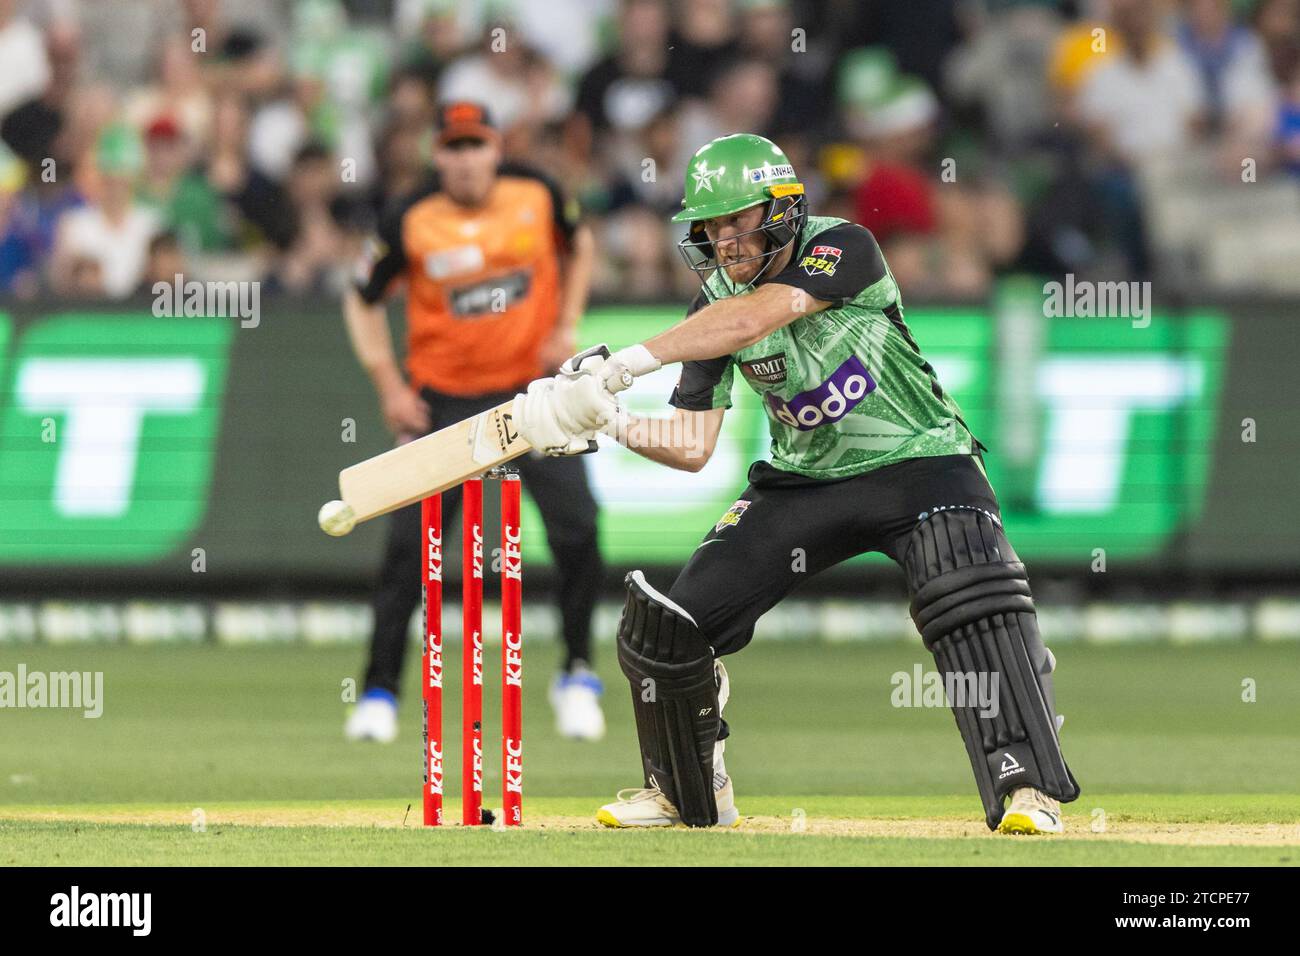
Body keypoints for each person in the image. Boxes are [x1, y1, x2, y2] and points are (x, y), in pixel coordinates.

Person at [512, 133, 1079, 834]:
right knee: (671, 629)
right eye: (711, 226)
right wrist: (609, 421)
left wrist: (623, 364)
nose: (724, 240)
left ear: (781, 208)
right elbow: (692, 445)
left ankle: (1027, 789)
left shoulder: (843, 246)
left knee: (966, 594)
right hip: (805, 480)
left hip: (920, 461)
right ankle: (688, 793)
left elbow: (758, 316)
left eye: (737, 219)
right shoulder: (711, 309)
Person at [344, 101, 605, 744]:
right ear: (438, 154)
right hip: (445, 403)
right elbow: (362, 298)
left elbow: (582, 246)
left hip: (532, 397)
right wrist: (389, 387)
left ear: (496, 148)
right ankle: (378, 692)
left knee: (577, 531)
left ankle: (575, 675)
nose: (466, 161)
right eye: (454, 148)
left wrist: (567, 325)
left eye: (477, 146)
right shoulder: (409, 216)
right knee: (411, 550)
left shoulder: (537, 191)